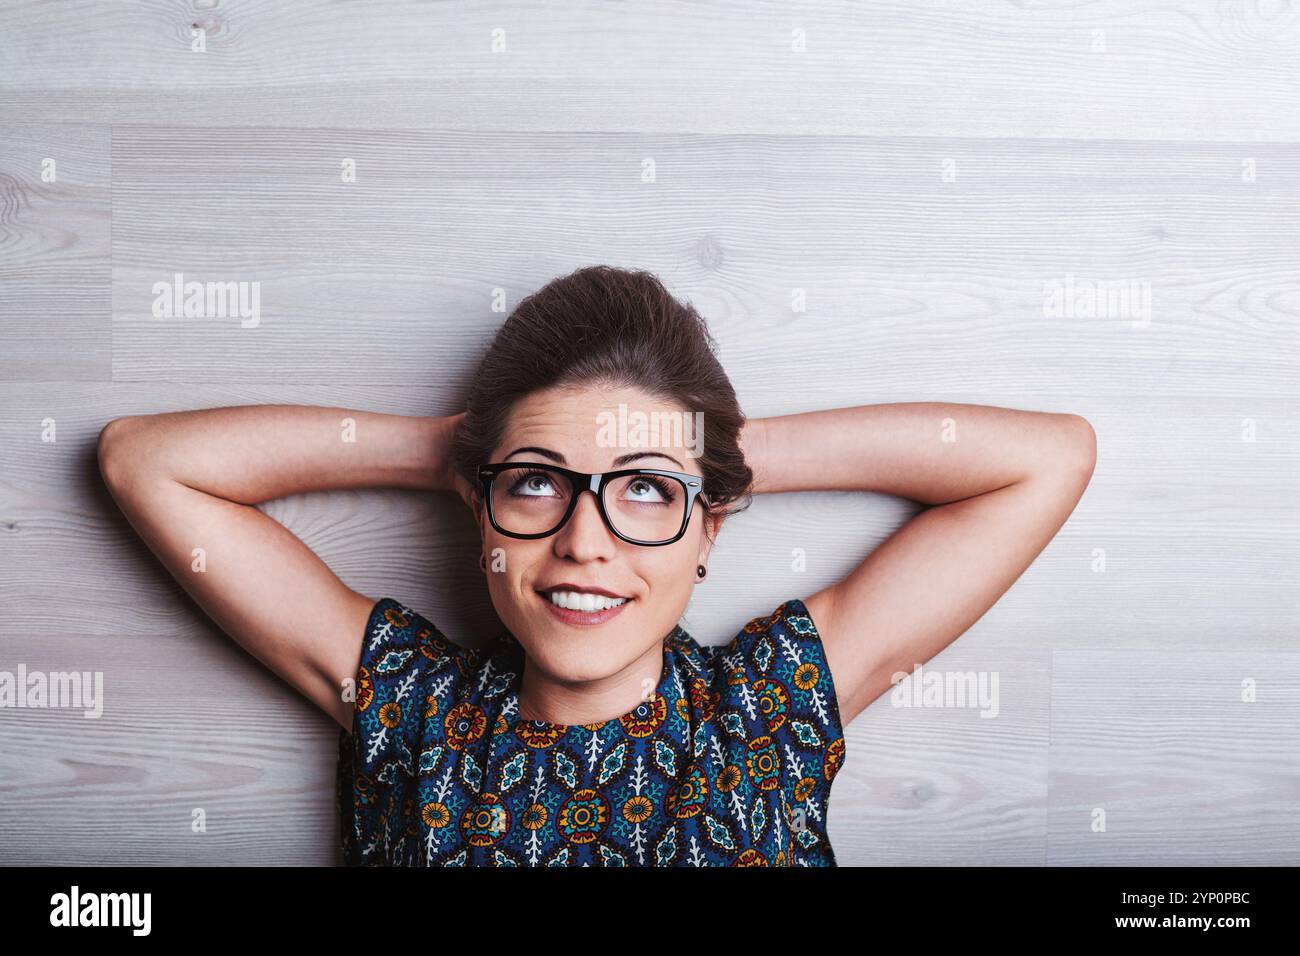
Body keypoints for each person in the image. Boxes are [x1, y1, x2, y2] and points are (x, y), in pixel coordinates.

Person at [98, 264, 1096, 866]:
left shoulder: (772, 703)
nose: (585, 540)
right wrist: (458, 448)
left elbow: (1046, 458)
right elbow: (146, 459)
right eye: (537, 485)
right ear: (479, 502)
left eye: (645, 495)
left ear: (710, 531)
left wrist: (710, 454)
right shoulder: (409, 701)